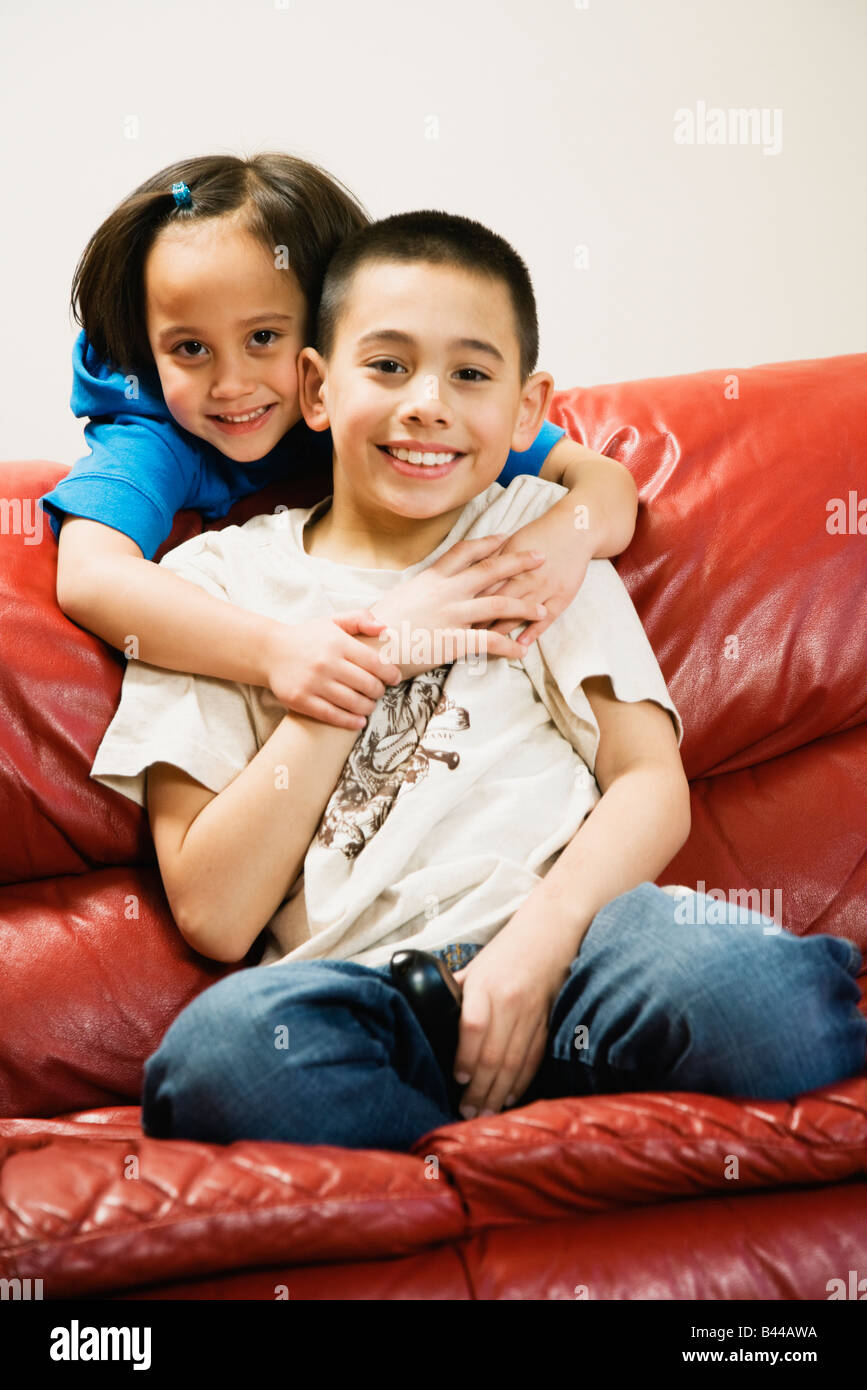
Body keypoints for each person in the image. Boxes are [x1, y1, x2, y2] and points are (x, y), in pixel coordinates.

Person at [89, 209, 866, 1154]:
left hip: (576, 943)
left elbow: (648, 781)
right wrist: (382, 652)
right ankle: (468, 1144)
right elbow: (214, 913)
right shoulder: (210, 588)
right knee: (221, 1065)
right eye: (386, 366)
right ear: (316, 386)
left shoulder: (537, 535)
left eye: (469, 373)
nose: (428, 404)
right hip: (361, 988)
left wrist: (535, 954)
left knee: (774, 1003)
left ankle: (468, 1133)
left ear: (527, 407)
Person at [38, 152, 640, 731]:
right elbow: (92, 578)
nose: (231, 385)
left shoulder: (385, 411)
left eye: (263, 337)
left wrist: (561, 541)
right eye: (190, 348)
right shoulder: (153, 435)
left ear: (324, 343)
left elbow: (601, 479)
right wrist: (278, 652)